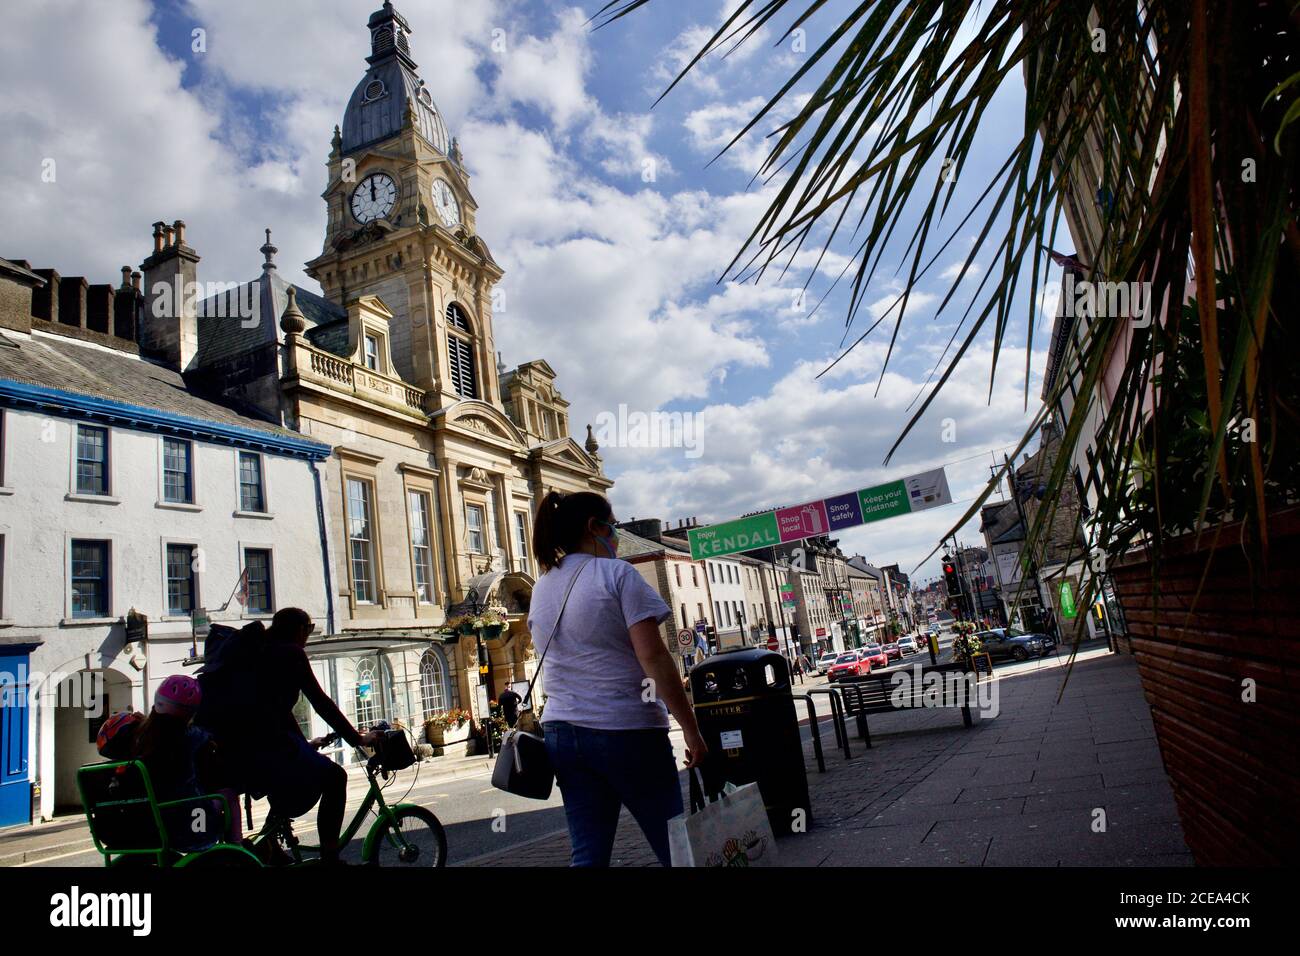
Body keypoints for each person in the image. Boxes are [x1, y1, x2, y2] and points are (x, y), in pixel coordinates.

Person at [528, 490, 708, 867]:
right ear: (594, 527)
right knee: (675, 845)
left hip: (562, 733)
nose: (616, 534)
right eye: (612, 526)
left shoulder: (542, 586)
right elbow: (654, 658)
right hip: (626, 730)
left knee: (588, 853)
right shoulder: (618, 574)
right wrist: (690, 728)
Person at [197, 608, 380, 864]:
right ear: (299, 629)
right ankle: (330, 857)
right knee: (335, 778)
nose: (309, 634)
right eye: (309, 628)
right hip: (265, 747)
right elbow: (320, 702)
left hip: (239, 749)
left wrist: (304, 744)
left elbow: (276, 709)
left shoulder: (257, 653)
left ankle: (270, 842)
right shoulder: (290, 652)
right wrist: (358, 739)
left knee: (292, 779)